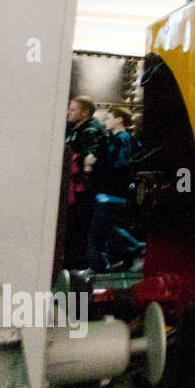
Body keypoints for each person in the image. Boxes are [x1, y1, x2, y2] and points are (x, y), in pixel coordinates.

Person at [86, 105, 144, 272]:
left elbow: (120, 164)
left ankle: (136, 248)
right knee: (105, 229)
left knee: (100, 230)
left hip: (111, 191)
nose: (106, 121)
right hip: (111, 192)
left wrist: (96, 164)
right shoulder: (120, 139)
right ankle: (101, 264)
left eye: (109, 118)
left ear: (119, 119)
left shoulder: (122, 138)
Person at [64, 96, 107, 270]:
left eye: (73, 110)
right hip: (78, 189)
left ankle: (77, 264)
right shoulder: (79, 129)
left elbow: (90, 159)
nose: (68, 112)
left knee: (79, 227)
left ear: (85, 112)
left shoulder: (90, 131)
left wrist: (84, 165)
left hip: (83, 191)